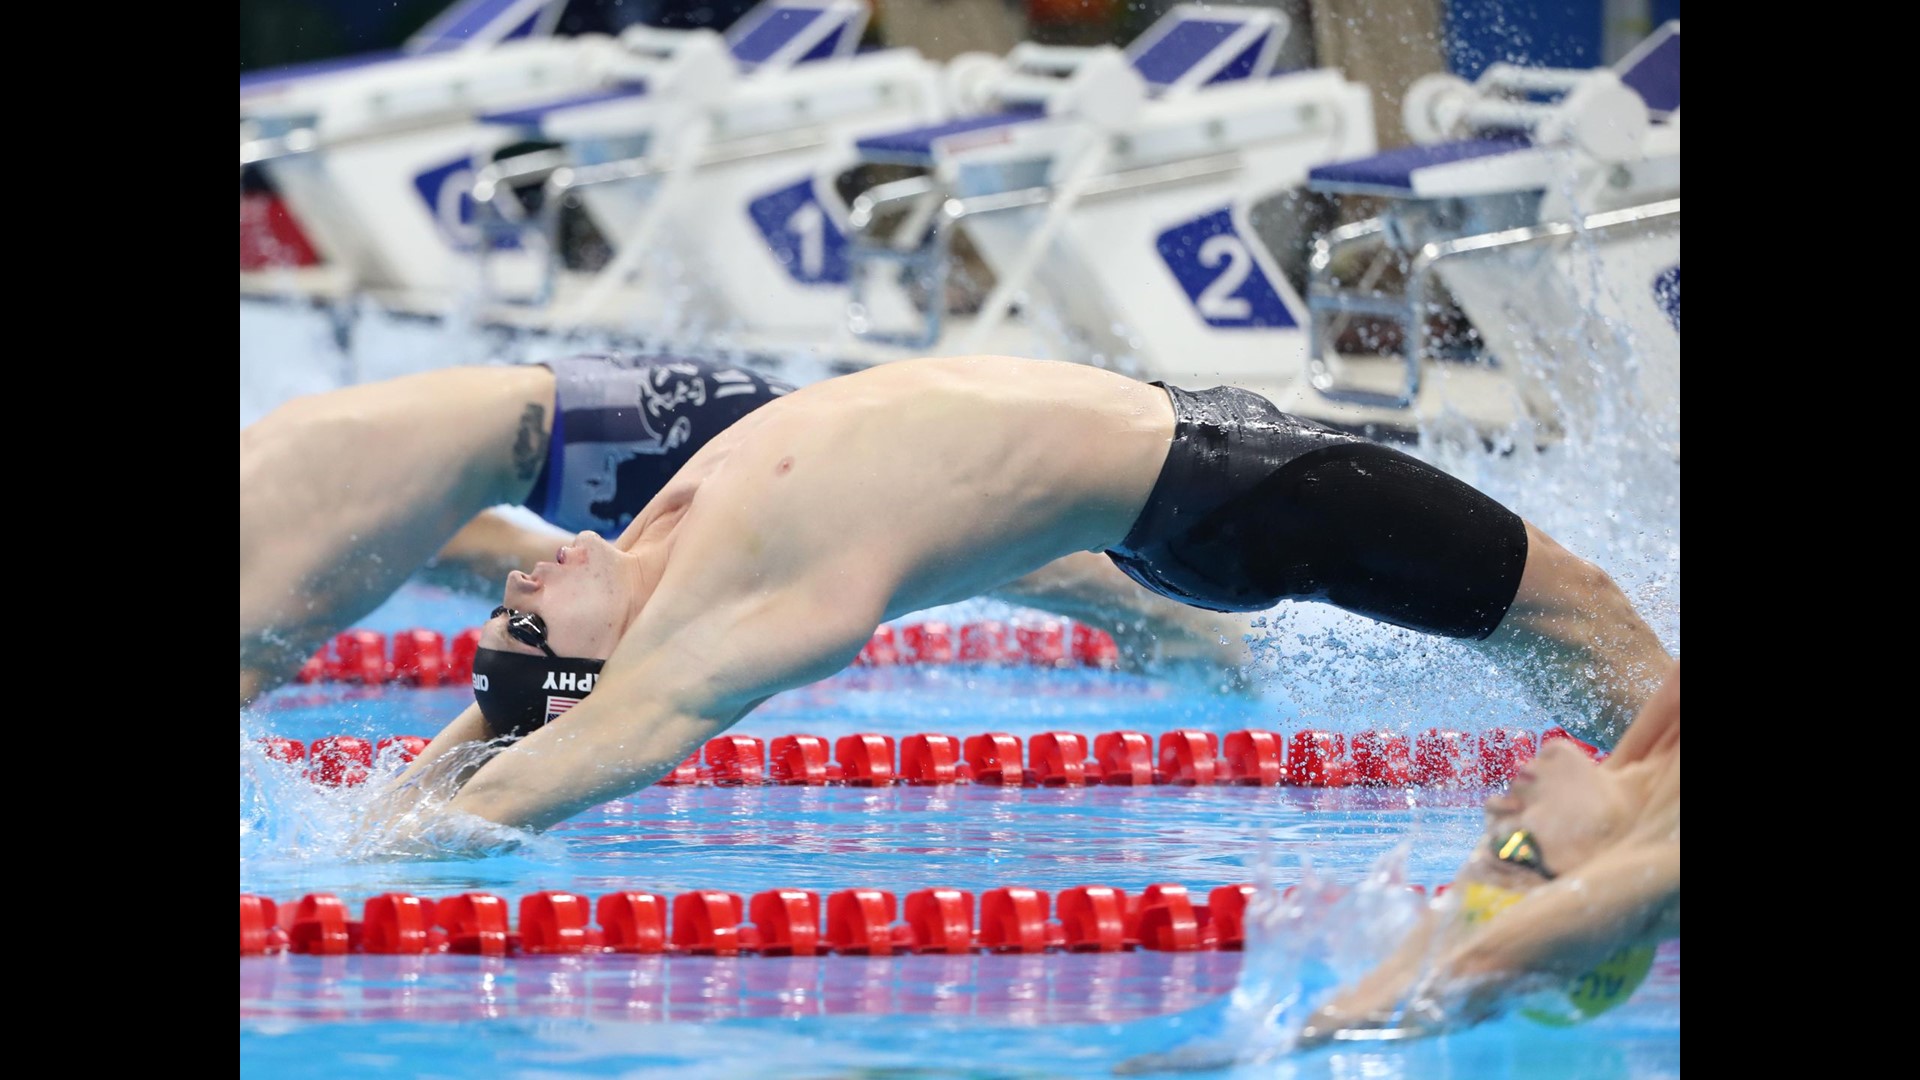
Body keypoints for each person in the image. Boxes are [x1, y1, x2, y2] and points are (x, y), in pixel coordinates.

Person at [378, 355, 1669, 841]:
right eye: (532, 622)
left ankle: (1636, 817)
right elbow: (604, 741)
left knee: (1553, 636)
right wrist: (423, 846)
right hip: (1219, 494)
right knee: (1582, 613)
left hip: (1195, 457)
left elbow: (524, 714)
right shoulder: (747, 616)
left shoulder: (662, 540)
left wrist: (405, 784)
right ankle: (1648, 843)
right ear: (600, 669)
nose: (517, 581)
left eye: (505, 607)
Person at [239, 354, 1254, 708]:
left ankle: (1157, 613)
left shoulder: (264, 547)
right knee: (890, 537)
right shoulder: (283, 513)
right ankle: (1144, 611)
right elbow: (449, 549)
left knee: (884, 530)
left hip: (604, 426)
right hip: (585, 424)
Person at [1297, 660, 1679, 1045]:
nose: (1495, 809)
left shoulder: (1656, 764)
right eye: (1514, 850)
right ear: (1604, 873)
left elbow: (1450, 962)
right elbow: (1482, 960)